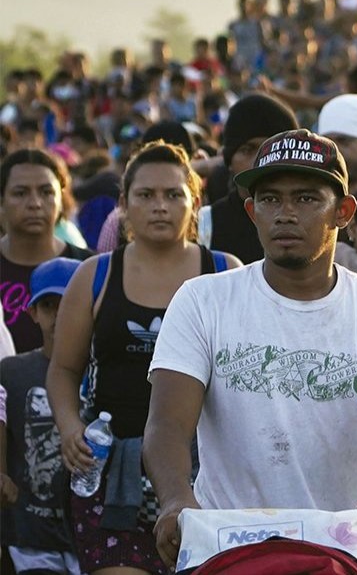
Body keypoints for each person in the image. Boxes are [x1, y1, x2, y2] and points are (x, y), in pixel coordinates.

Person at [142, 129, 357, 570]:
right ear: (251, 211)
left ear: (343, 211)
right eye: (269, 200)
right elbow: (167, 423)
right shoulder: (201, 301)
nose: (285, 214)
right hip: (226, 551)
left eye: (305, 199)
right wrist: (175, 499)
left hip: (346, 551)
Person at [45, 142, 239, 575]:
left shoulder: (226, 271)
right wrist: (71, 426)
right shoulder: (95, 274)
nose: (160, 207)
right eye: (145, 195)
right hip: (111, 470)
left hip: (203, 474)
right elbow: (62, 369)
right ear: (123, 205)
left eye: (173, 195)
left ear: (194, 203)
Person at [1, 258, 82, 575]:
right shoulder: (11, 371)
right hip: (30, 536)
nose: (60, 315)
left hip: (92, 531)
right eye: (49, 305)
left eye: (69, 303)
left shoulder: (103, 371)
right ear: (33, 312)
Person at [1, 150, 92, 354]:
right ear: (2, 201)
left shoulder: (90, 267)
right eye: (20, 193)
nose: (35, 203)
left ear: (62, 198)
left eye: (46, 192)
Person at [197, 93, 299, 264]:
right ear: (229, 161)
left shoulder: (312, 217)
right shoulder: (207, 225)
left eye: (271, 149)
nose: (260, 160)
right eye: (247, 150)